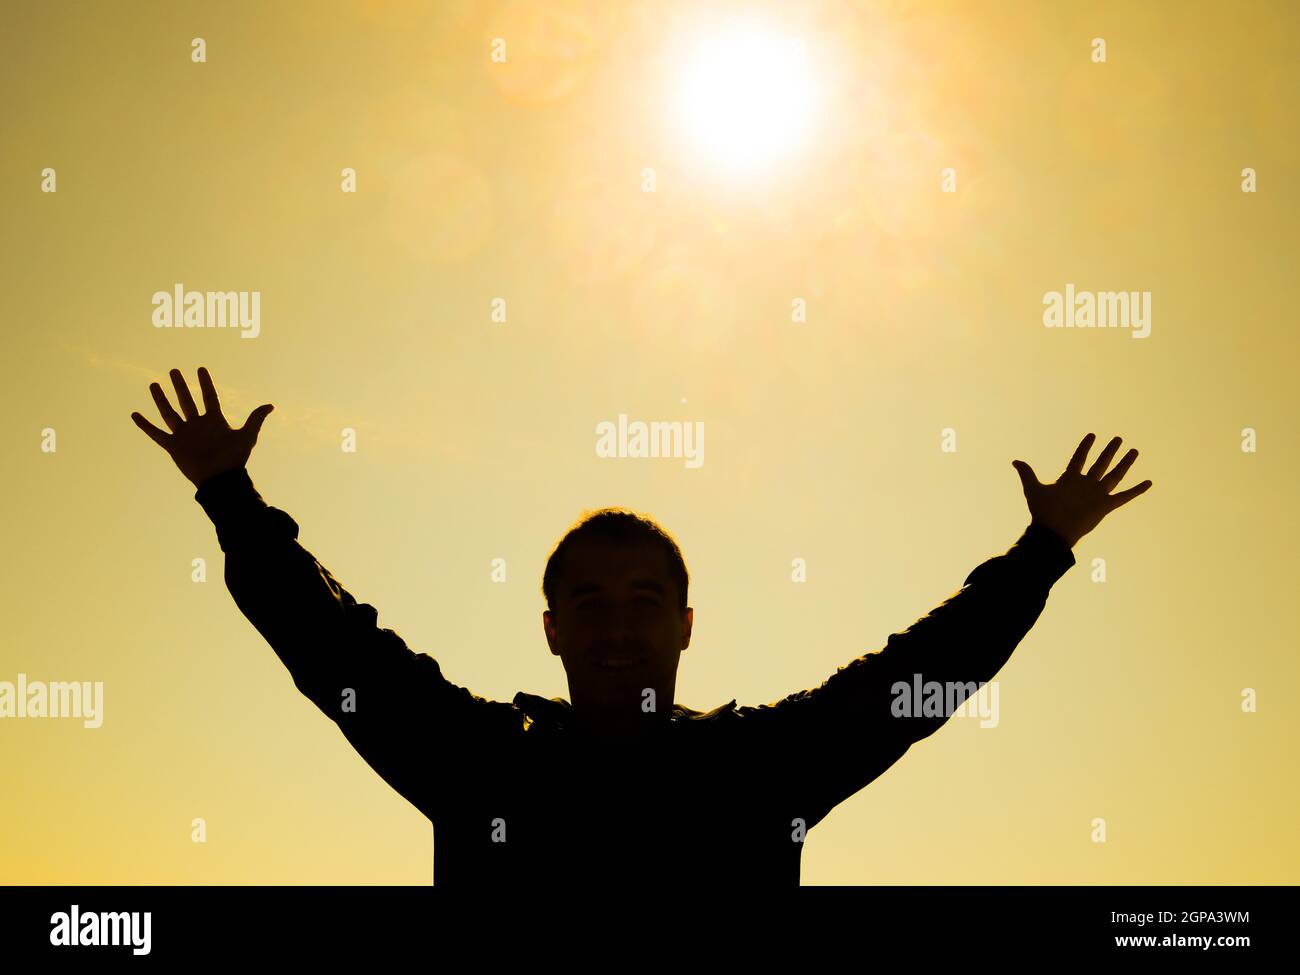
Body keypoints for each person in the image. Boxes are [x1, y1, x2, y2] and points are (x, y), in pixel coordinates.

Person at [132, 367, 1152, 885]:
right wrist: (230, 495)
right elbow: (329, 643)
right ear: (550, 630)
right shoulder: (478, 762)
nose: (617, 627)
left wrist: (1040, 553)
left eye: (642, 602)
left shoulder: (760, 769)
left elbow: (918, 680)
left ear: (687, 625)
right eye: (589, 602)